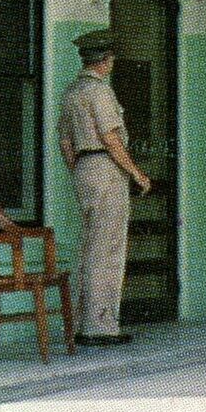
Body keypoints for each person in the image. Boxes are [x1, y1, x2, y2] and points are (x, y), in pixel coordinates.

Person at [56, 27, 150, 346]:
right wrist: (136, 173)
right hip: (105, 167)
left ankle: (84, 323)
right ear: (106, 61)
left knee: (90, 245)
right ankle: (101, 325)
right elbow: (111, 138)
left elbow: (66, 143)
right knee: (107, 248)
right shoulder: (100, 92)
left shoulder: (70, 92)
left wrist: (82, 170)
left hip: (83, 167)